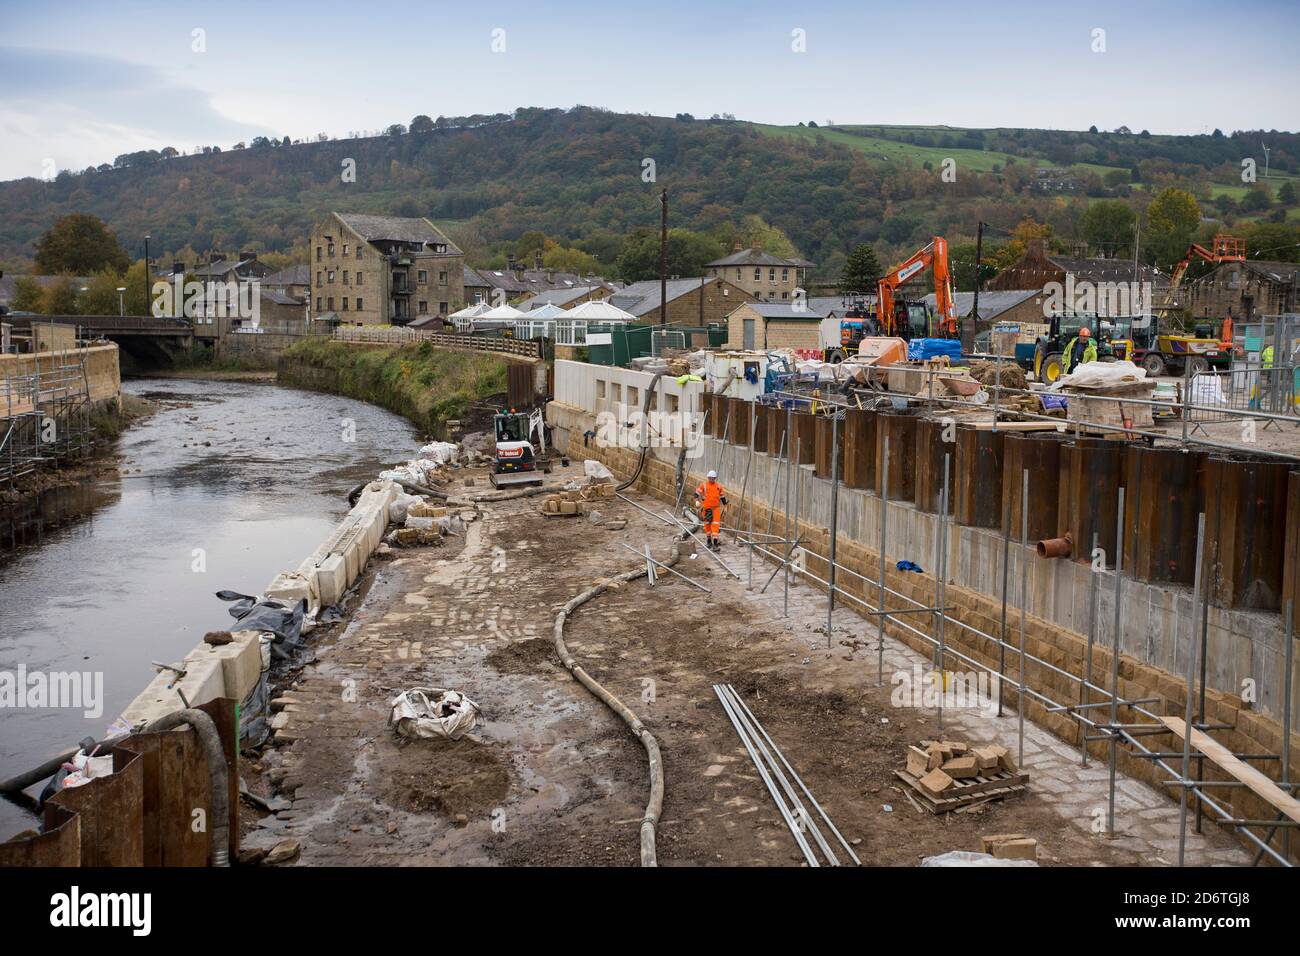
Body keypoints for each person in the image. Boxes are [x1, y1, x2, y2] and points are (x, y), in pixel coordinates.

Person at [693, 470, 728, 551]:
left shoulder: (719, 486)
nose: (711, 479)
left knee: (715, 526)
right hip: (706, 509)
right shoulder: (703, 485)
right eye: (710, 478)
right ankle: (709, 541)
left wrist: (725, 505)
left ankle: (715, 544)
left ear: (715, 478)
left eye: (713, 478)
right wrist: (697, 501)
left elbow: (722, 497)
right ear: (708, 477)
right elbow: (696, 494)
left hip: (716, 509)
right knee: (707, 525)